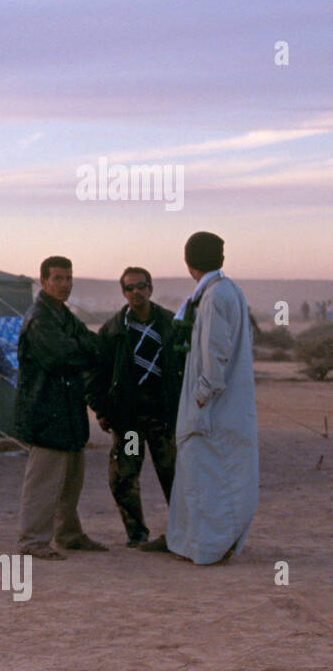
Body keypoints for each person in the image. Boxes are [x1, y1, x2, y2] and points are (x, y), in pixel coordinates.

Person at [144, 232, 259, 564]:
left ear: (188, 261)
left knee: (209, 477)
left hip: (211, 408)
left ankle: (208, 546)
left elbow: (215, 352)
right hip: (220, 406)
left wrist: (200, 398)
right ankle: (200, 543)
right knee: (211, 476)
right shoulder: (226, 291)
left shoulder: (213, 297)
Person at [14, 256, 107, 560]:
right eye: (58, 279)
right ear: (43, 281)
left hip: (67, 409)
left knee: (70, 478)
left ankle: (68, 534)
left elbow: (91, 346)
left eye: (68, 279)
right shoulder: (40, 318)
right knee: (43, 480)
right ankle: (31, 540)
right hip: (45, 409)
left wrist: (77, 348)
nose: (64, 285)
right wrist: (78, 349)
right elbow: (59, 358)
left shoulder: (62, 316)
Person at [85, 267, 181, 547]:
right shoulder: (113, 331)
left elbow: (187, 367)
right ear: (123, 293)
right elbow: (94, 373)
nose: (136, 292)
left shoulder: (170, 325)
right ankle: (136, 533)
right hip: (129, 420)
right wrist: (101, 409)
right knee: (124, 476)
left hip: (163, 416)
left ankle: (182, 531)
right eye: (130, 288)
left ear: (151, 289)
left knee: (174, 475)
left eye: (141, 286)